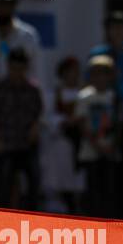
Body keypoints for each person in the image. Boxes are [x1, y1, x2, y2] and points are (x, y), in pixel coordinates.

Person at [0, 48, 43, 210]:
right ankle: (1, 214)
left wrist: (35, 128)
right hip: (6, 144)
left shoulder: (33, 90)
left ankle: (33, 215)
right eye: (13, 68)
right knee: (3, 183)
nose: (17, 73)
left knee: (35, 179)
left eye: (20, 68)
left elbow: (38, 114)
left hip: (27, 144)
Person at [75, 55, 123, 218]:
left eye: (104, 73)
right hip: (91, 151)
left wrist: (112, 146)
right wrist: (97, 144)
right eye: (96, 73)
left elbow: (119, 124)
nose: (100, 78)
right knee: (93, 189)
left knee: (110, 190)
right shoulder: (85, 96)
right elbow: (82, 123)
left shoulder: (115, 97)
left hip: (110, 151)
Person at [40, 56, 86, 214]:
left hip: (79, 143)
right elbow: (47, 117)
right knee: (57, 177)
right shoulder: (54, 94)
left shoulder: (84, 94)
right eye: (70, 72)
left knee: (77, 180)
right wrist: (64, 121)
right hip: (60, 142)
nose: (73, 75)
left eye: (76, 72)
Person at [88, 11, 123, 104]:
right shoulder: (96, 54)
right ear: (108, 30)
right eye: (114, 28)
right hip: (101, 104)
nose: (118, 31)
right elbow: (88, 81)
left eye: (121, 27)